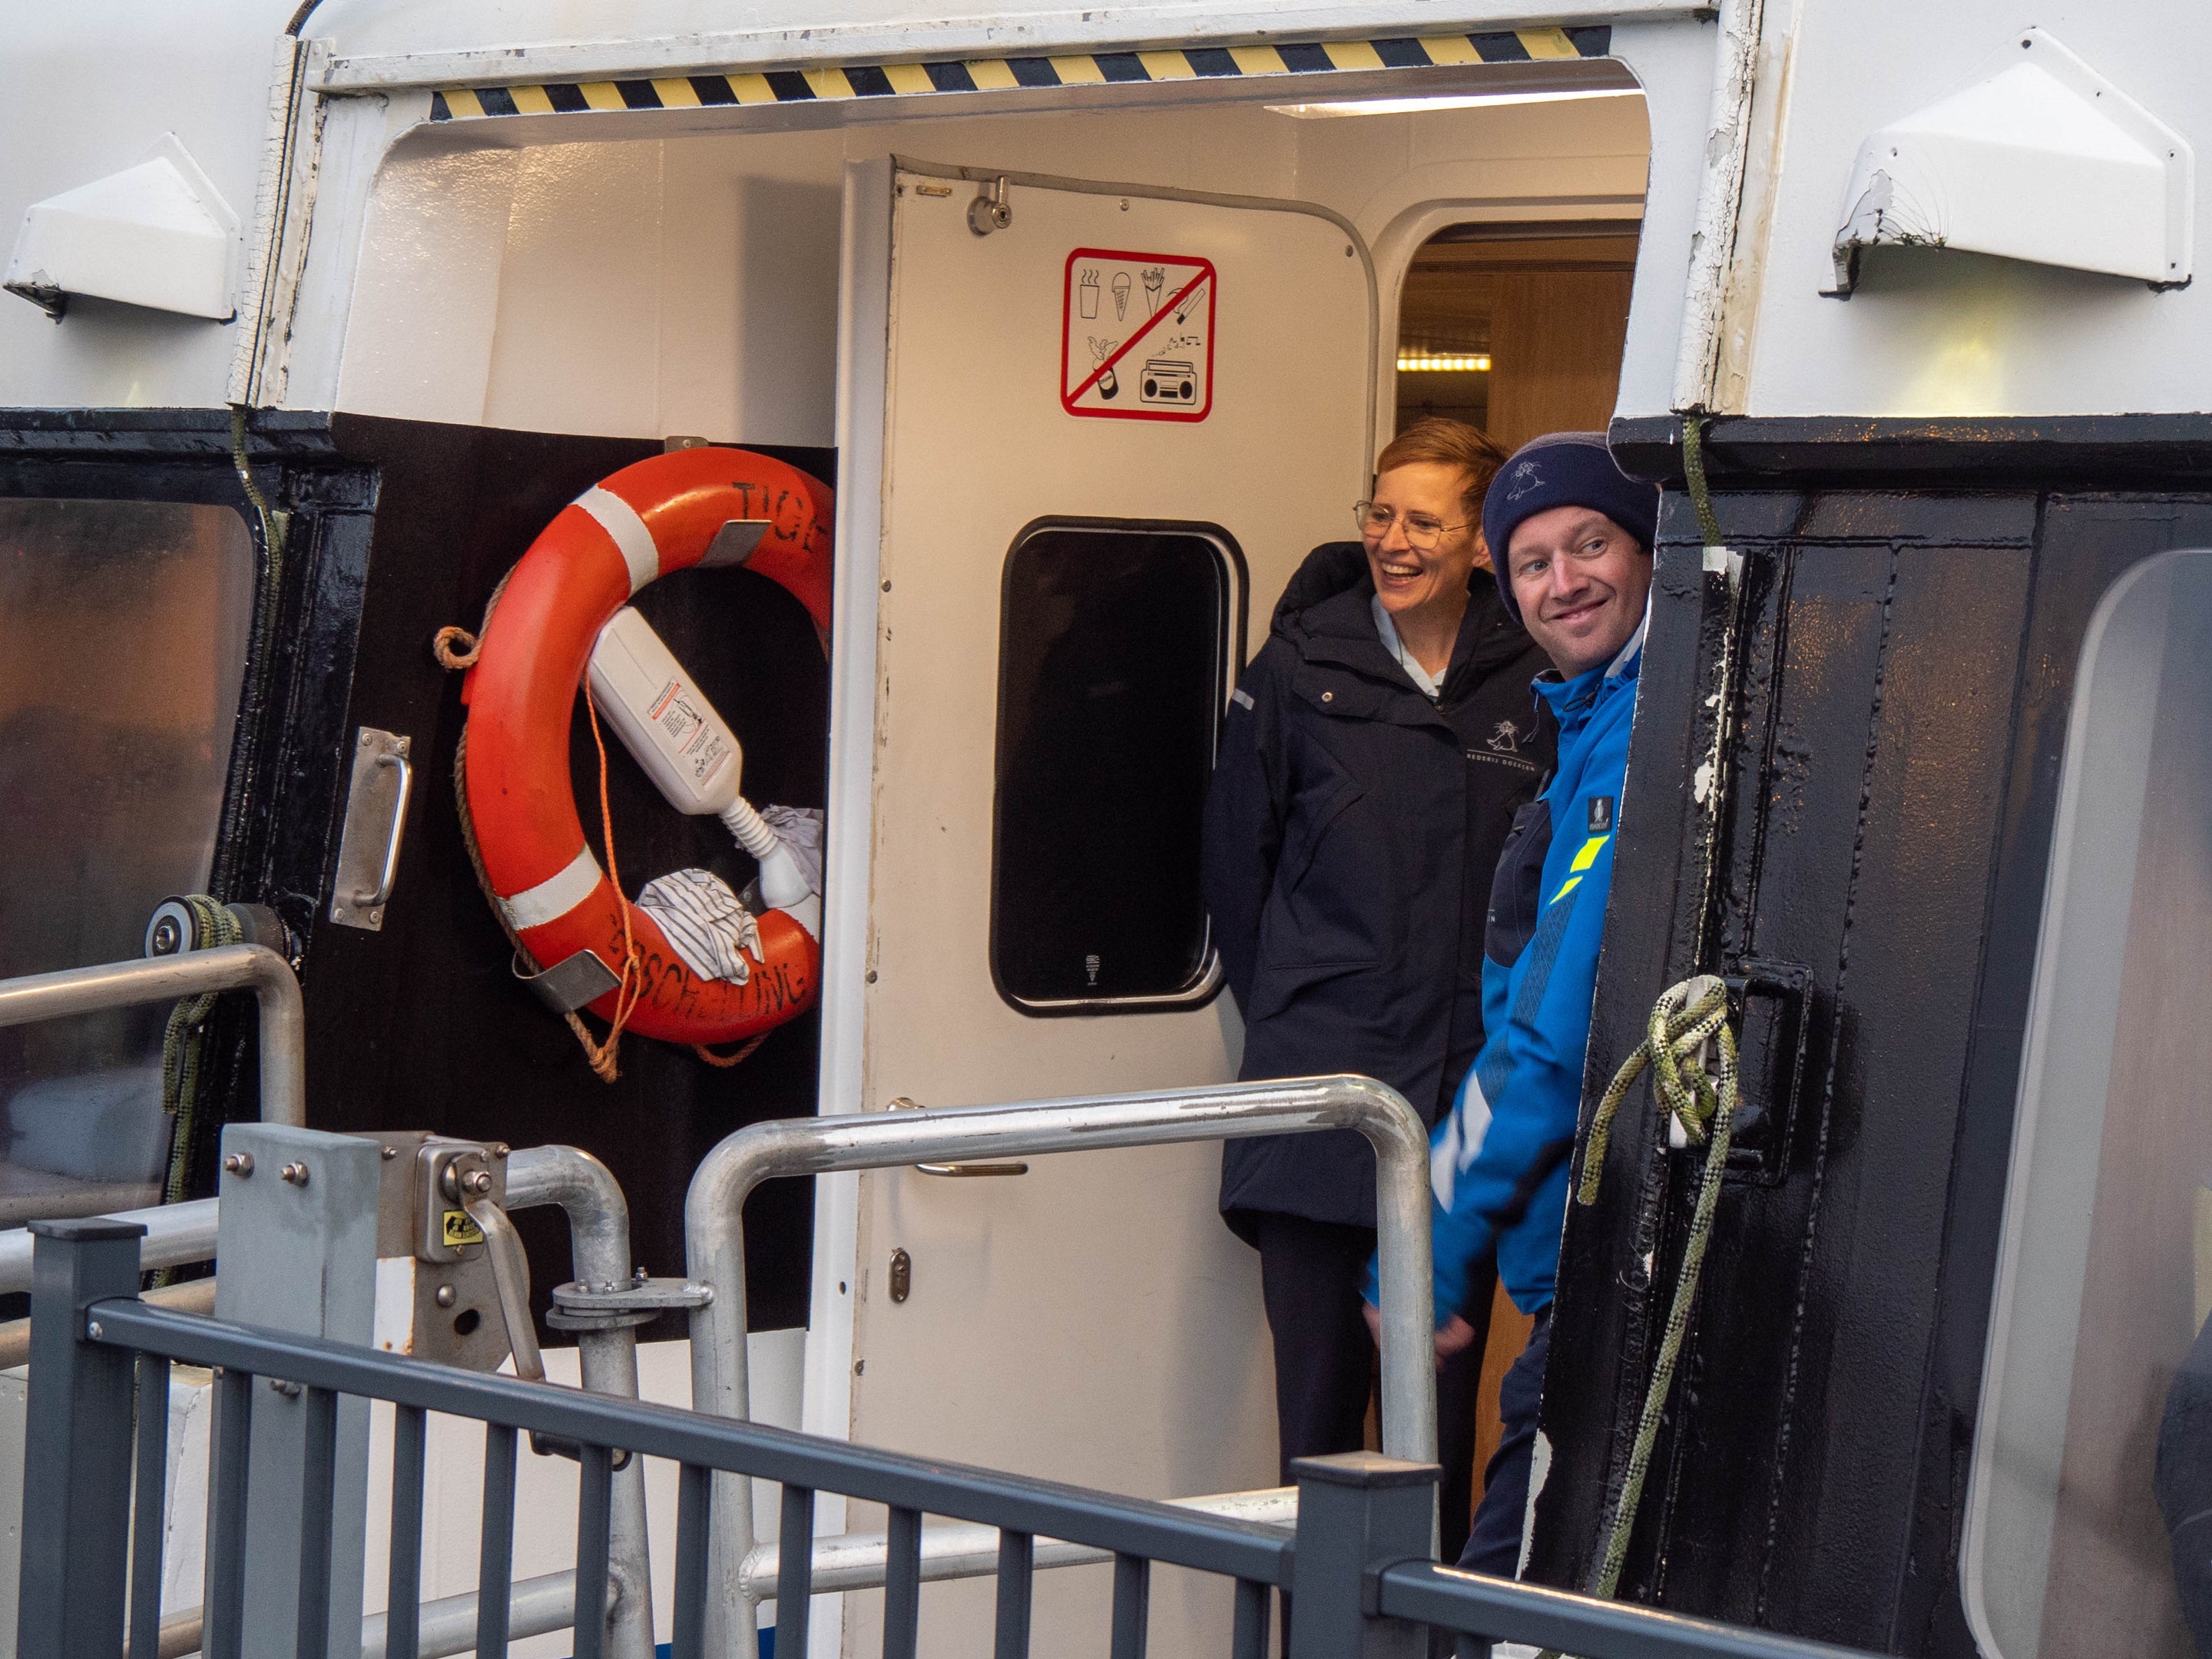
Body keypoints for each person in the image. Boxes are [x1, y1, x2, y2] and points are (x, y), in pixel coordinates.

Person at [1202, 418, 1554, 1560]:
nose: (1392, 541)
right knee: (1313, 1431)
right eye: (1380, 513)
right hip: (1318, 1100)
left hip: (1462, 1110)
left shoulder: (1536, 680)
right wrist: (1304, 1017)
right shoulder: (1302, 667)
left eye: (1424, 521)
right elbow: (1235, 875)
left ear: (1485, 545)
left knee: (1433, 1437)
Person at [1366, 429, 1659, 1575]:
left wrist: (1423, 1245)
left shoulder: (1634, 731)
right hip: (1576, 1265)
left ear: (1646, 554)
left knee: (1504, 1591)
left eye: (1591, 543)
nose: (1564, 581)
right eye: (1532, 561)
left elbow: (1547, 1032)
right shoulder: (1589, 719)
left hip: (1604, 1274)